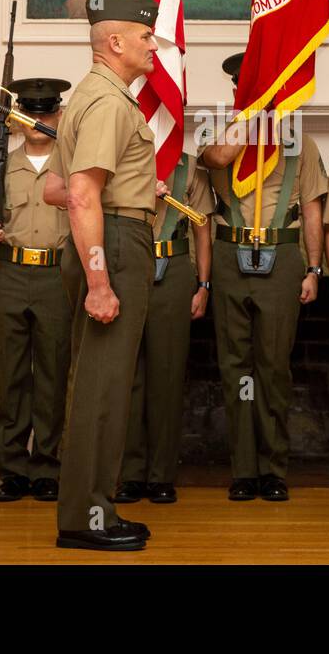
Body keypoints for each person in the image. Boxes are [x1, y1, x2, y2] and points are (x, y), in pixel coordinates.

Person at [42, 0, 163, 551]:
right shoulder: (111, 103)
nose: (153, 44)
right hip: (113, 243)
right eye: (144, 37)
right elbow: (82, 196)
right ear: (115, 42)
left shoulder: (92, 97)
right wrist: (99, 280)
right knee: (103, 386)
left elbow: (65, 187)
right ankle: (89, 518)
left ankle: (89, 508)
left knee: (94, 381)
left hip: (110, 237)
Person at [199, 52, 327, 503]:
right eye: (247, 90)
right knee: (235, 368)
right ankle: (244, 469)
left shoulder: (300, 145)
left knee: (273, 368)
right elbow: (214, 157)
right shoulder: (216, 135)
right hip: (231, 254)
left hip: (282, 254)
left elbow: (312, 208)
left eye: (265, 92)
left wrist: (315, 268)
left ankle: (273, 469)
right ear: (237, 93)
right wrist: (249, 120)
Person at [0, 78, 73, 504]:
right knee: (11, 376)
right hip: (10, 275)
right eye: (30, 113)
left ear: (58, 116)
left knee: (52, 374)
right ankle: (12, 470)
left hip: (56, 277)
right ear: (17, 119)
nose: (38, 120)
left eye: (46, 112)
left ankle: (47, 468)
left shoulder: (73, 169)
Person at [114, 152, 216, 504]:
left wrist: (204, 285)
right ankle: (129, 474)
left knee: (167, 377)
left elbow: (203, 228)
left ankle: (161, 475)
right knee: (129, 378)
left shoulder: (189, 169)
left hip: (173, 270)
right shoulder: (120, 162)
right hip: (127, 268)